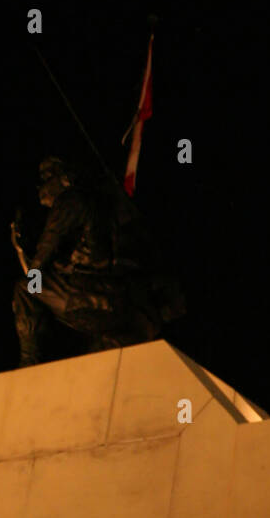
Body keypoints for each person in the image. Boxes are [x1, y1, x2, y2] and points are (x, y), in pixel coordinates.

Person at [11, 156, 165, 366]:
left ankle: (29, 363)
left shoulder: (70, 200)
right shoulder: (101, 206)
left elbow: (46, 250)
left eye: (47, 177)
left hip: (92, 296)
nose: (41, 185)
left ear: (65, 179)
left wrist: (33, 276)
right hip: (124, 303)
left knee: (25, 289)